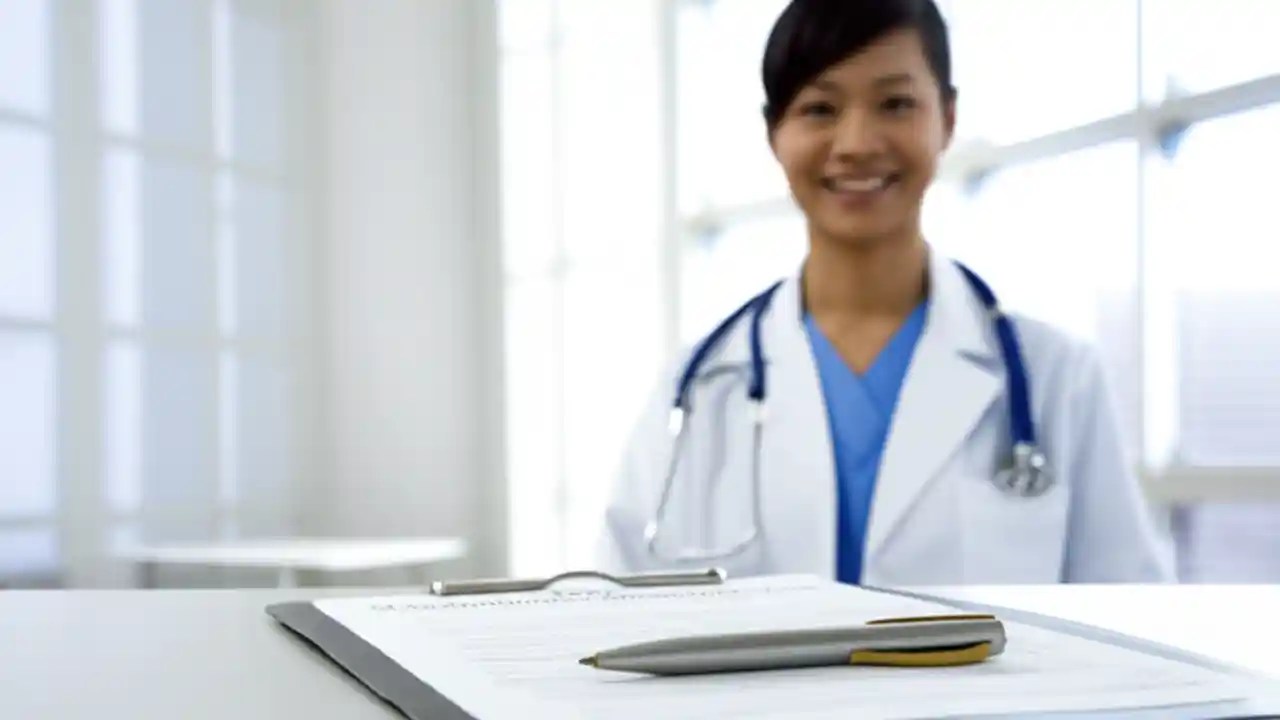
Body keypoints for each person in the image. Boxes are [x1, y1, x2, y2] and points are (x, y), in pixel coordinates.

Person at [595, 0, 1173, 585]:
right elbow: (618, 616)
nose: (856, 143)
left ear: (946, 119)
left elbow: (1131, 622)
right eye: (819, 109)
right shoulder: (698, 388)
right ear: (774, 134)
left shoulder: (1057, 378)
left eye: (895, 104)